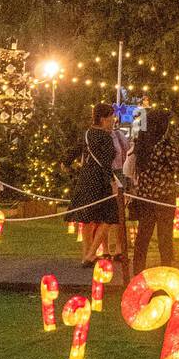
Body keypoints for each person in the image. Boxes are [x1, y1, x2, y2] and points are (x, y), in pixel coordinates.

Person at [71, 101, 120, 266]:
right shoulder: (105, 137)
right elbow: (106, 163)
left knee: (87, 218)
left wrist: (66, 163)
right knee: (110, 216)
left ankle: (86, 254)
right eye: (111, 117)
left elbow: (75, 151)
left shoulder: (87, 134)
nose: (114, 120)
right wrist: (112, 181)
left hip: (86, 178)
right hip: (100, 180)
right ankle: (91, 253)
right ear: (103, 119)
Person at [131, 107, 179, 269]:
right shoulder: (164, 145)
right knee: (165, 235)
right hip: (164, 194)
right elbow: (178, 165)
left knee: (143, 234)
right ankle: (166, 268)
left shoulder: (142, 143)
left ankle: (138, 269)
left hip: (145, 195)